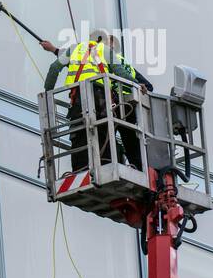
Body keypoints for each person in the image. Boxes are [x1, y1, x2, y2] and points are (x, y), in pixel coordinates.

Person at [40, 29, 153, 172]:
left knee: (78, 133)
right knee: (102, 132)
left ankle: (80, 170)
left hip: (77, 98)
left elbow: (54, 68)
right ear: (102, 41)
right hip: (100, 98)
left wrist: (48, 92)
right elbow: (120, 72)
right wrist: (136, 84)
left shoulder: (74, 49)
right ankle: (105, 166)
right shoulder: (105, 50)